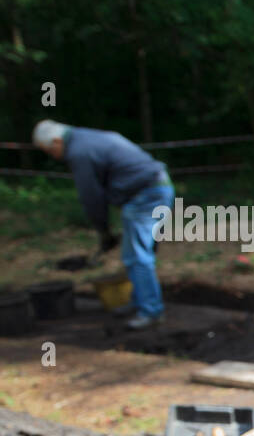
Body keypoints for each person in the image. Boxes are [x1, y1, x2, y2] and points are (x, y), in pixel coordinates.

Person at [32, 119, 173, 330]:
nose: (53, 156)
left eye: (50, 151)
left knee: (137, 256)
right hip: (158, 187)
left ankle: (151, 311)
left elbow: (91, 197)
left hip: (145, 196)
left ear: (56, 141)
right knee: (139, 253)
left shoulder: (79, 152)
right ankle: (140, 302)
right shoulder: (89, 137)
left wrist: (104, 232)